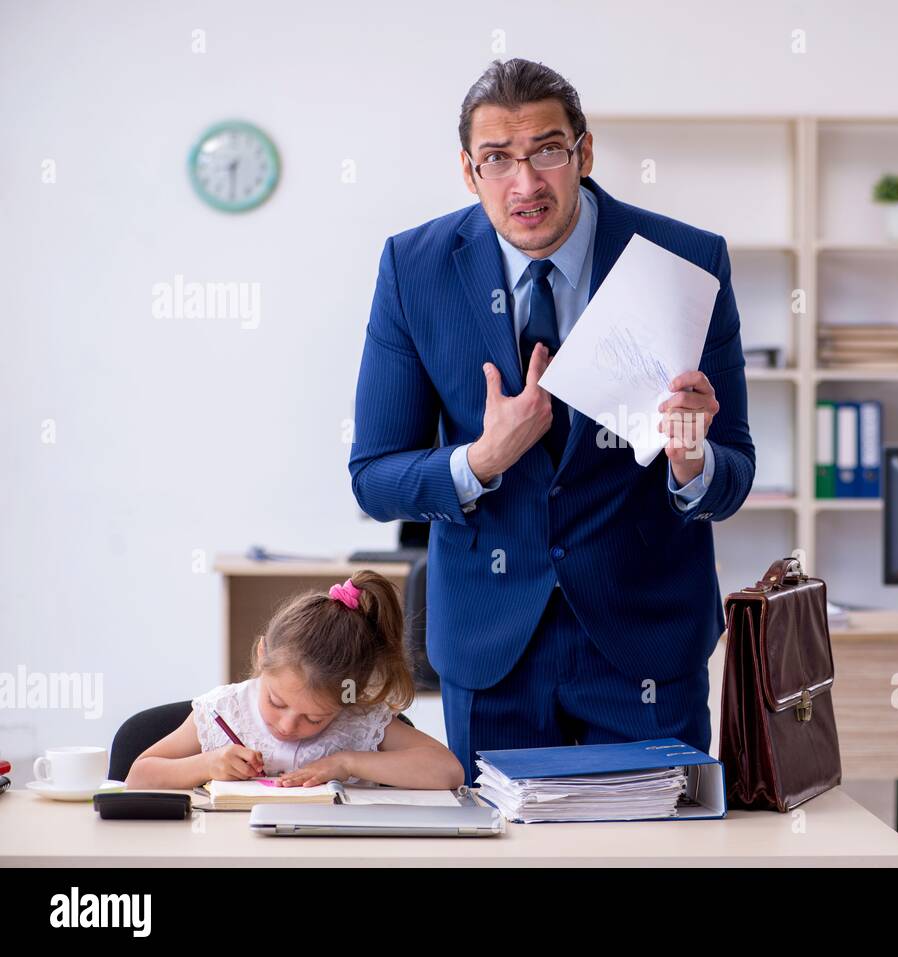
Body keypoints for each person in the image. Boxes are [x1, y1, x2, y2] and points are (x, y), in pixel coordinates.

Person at [348, 58, 755, 785]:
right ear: (469, 172)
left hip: (646, 639)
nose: (526, 183)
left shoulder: (685, 260)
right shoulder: (415, 268)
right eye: (499, 159)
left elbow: (733, 473)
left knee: (657, 851)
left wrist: (691, 455)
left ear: (584, 152)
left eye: (547, 151)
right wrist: (481, 458)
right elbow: (374, 479)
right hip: (493, 644)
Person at [125, 570, 463, 789]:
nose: (287, 725)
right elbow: (139, 776)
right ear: (261, 655)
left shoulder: (358, 720)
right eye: (276, 701)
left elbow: (448, 772)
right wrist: (206, 764)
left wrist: (346, 762)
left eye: (315, 718)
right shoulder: (224, 710)